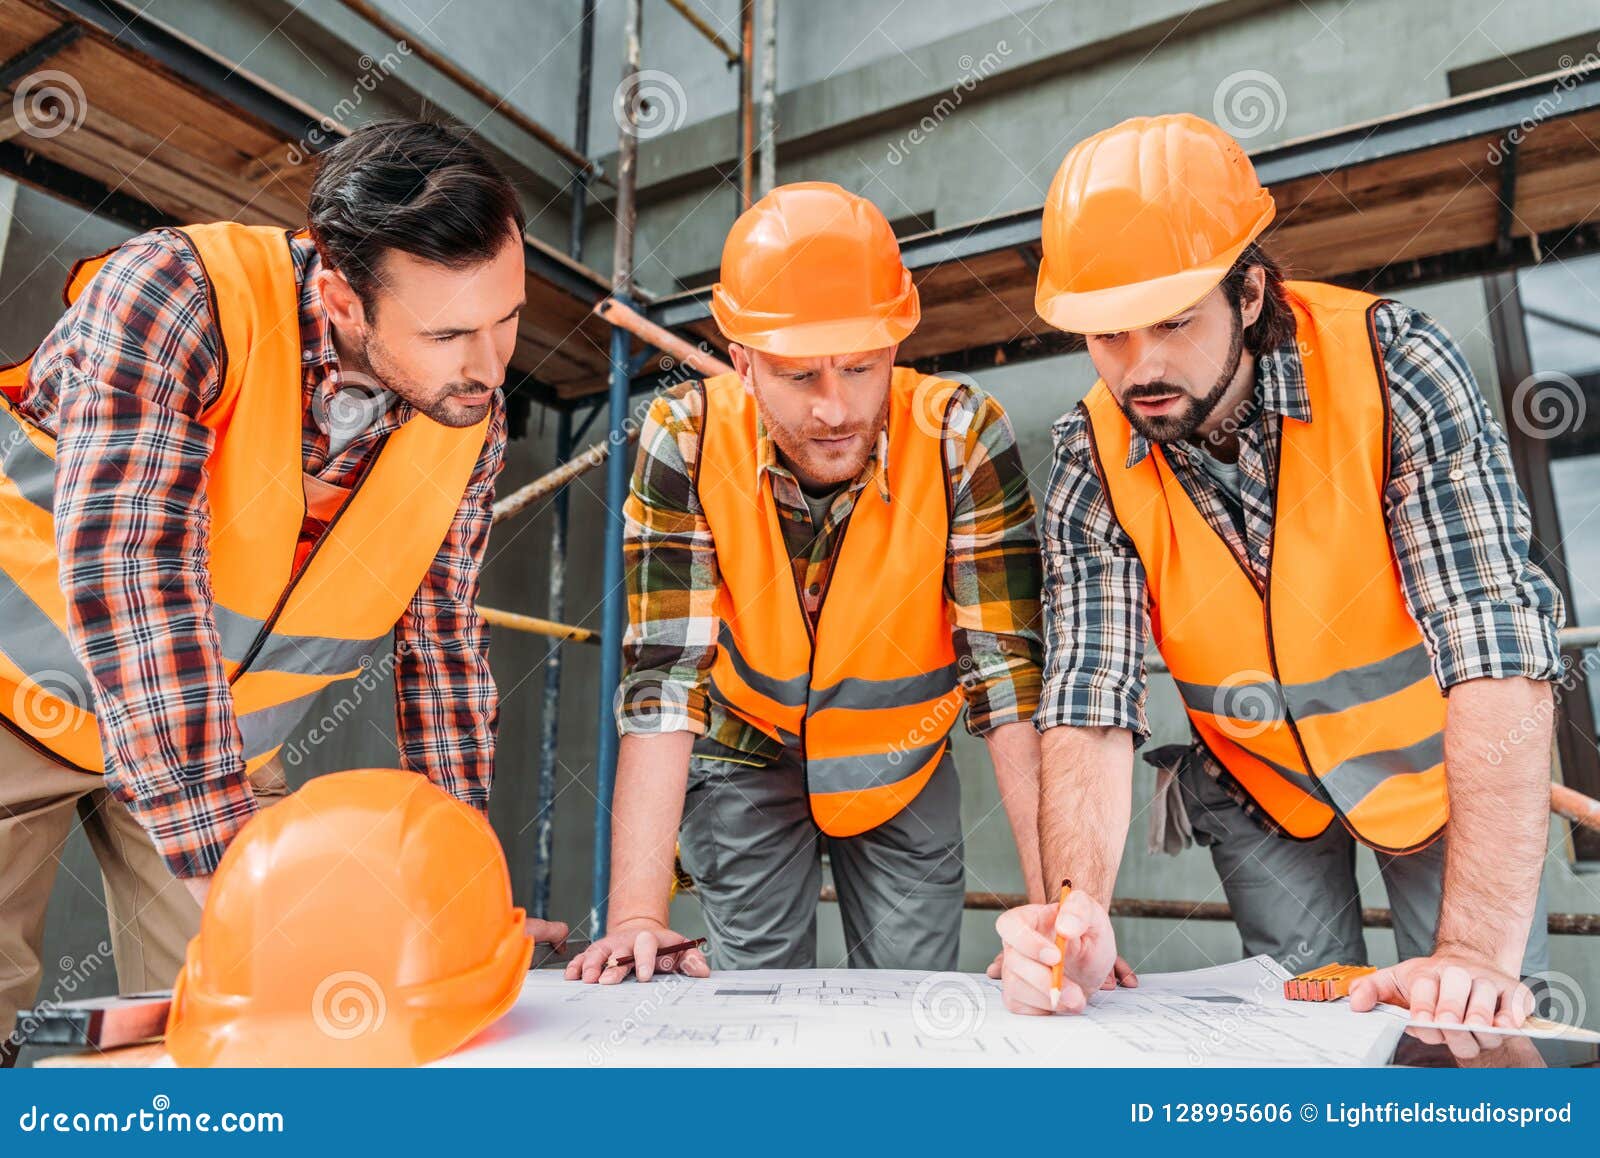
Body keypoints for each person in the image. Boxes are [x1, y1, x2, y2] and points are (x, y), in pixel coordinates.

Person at [0, 118, 567, 1046]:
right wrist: (231, 878)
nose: (489, 366)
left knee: (266, 1019)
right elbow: (132, 578)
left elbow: (445, 648)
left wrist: (462, 889)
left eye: (508, 319)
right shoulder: (177, 297)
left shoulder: (468, 416)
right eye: (449, 332)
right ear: (343, 297)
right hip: (18, 697)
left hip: (218, 736)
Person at [996, 114, 1560, 1032]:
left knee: (1465, 1027)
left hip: (1440, 777)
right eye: (1106, 337)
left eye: (1173, 322)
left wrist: (1473, 948)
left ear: (1250, 292)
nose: (1139, 370)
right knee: (1306, 1034)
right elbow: (1087, 700)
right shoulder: (1088, 455)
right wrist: (1075, 912)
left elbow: (1493, 640)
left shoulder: (1393, 366)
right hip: (1260, 792)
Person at [566, 181, 1050, 983]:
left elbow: (1009, 679)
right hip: (745, 751)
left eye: (859, 368)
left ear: (894, 346)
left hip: (901, 762)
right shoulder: (683, 439)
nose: (835, 410)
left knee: (910, 999)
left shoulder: (962, 435)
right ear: (741, 361)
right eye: (799, 377)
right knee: (760, 998)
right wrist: (638, 918)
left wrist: (1056, 909)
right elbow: (665, 678)